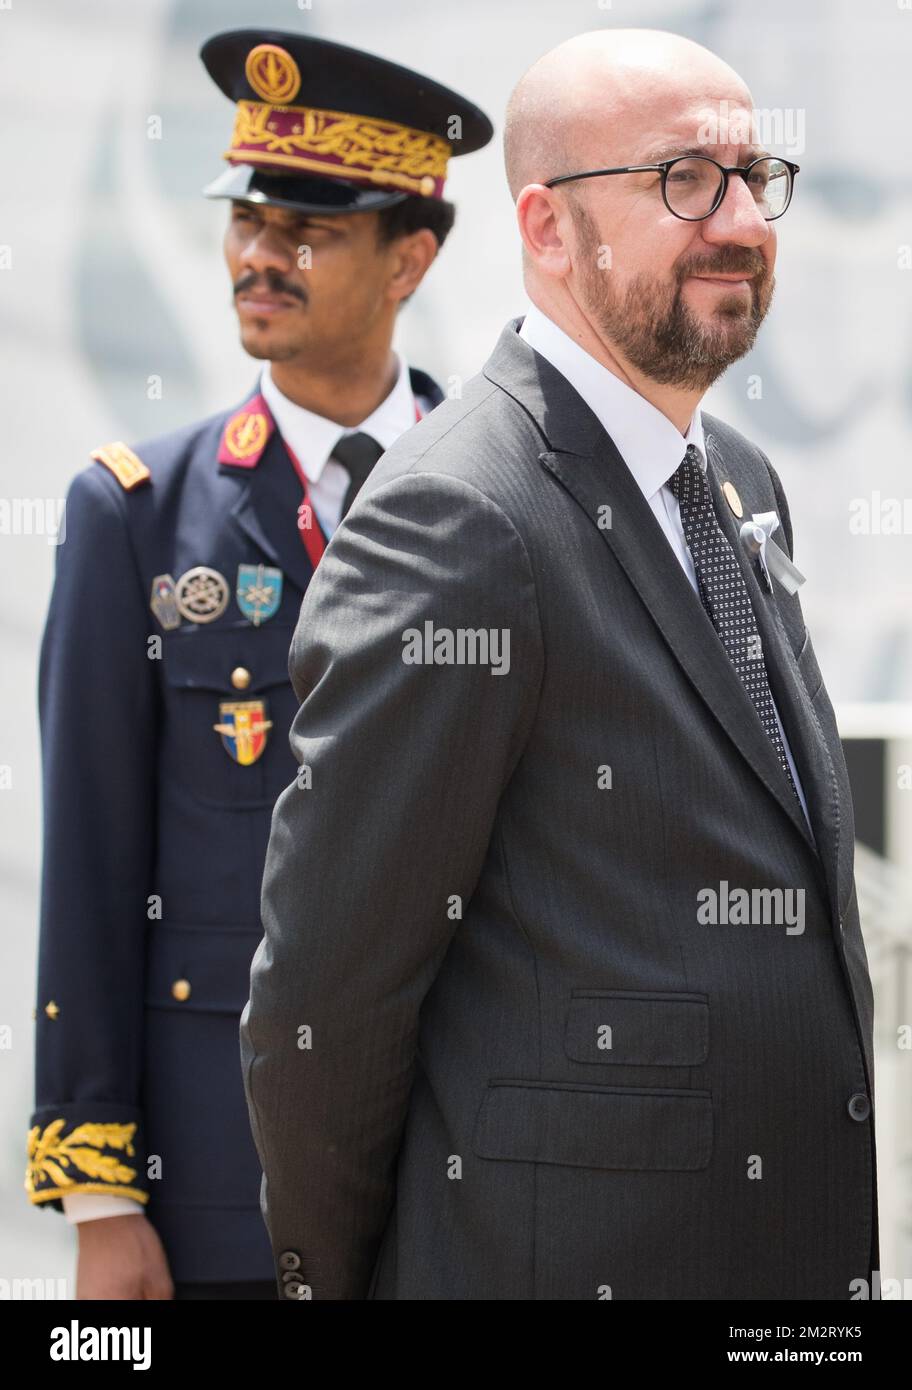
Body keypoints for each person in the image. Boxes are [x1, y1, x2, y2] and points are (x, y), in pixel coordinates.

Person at [240, 28, 878, 1300]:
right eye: (685, 178)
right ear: (545, 228)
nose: (743, 219)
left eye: (756, 174)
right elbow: (330, 990)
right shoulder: (463, 517)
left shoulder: (738, 482)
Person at [26, 26, 492, 1300]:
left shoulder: (509, 507)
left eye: (309, 229)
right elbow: (91, 860)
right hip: (214, 1180)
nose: (257, 257)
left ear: (413, 257)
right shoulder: (132, 513)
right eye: (247, 218)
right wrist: (99, 1198)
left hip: (468, 1162)